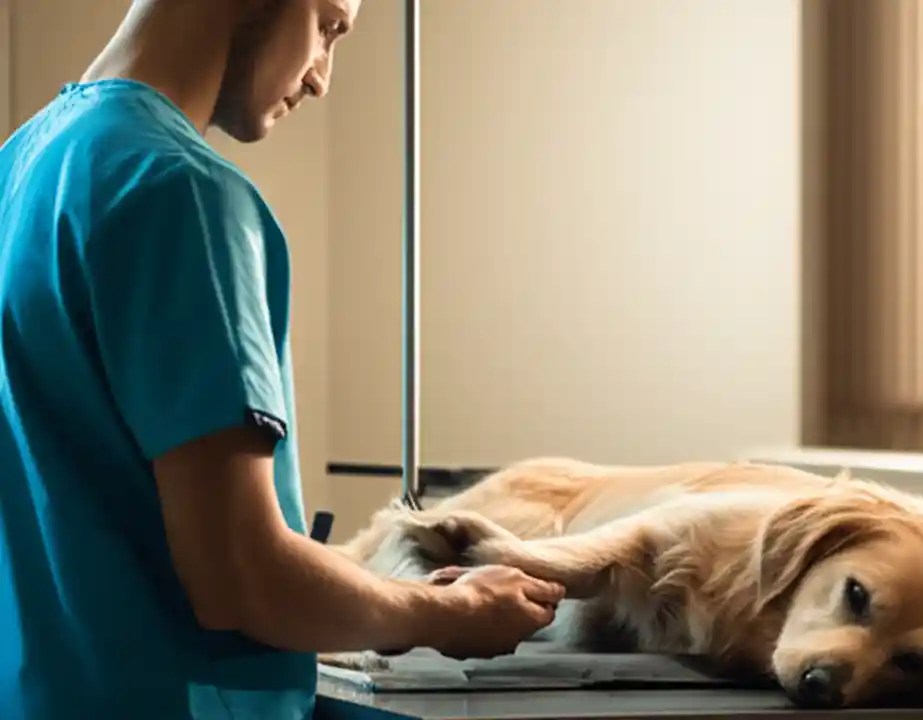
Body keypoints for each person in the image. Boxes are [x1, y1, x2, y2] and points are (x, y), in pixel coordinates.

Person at [0, 1, 564, 719]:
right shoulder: (180, 192)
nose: (322, 76)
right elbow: (242, 575)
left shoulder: (19, 167)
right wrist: (448, 613)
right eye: (327, 25)